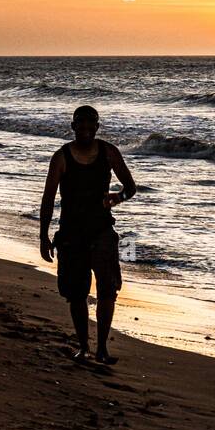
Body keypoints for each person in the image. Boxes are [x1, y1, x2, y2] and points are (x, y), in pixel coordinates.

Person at [40, 105, 137, 363]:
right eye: (79, 126)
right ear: (73, 127)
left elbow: (130, 187)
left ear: (96, 127)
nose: (84, 131)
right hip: (71, 234)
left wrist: (115, 199)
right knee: (76, 293)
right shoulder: (61, 157)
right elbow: (48, 199)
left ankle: (102, 348)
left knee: (108, 291)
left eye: (89, 126)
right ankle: (83, 347)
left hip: (102, 232)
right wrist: (43, 236)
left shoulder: (108, 152)